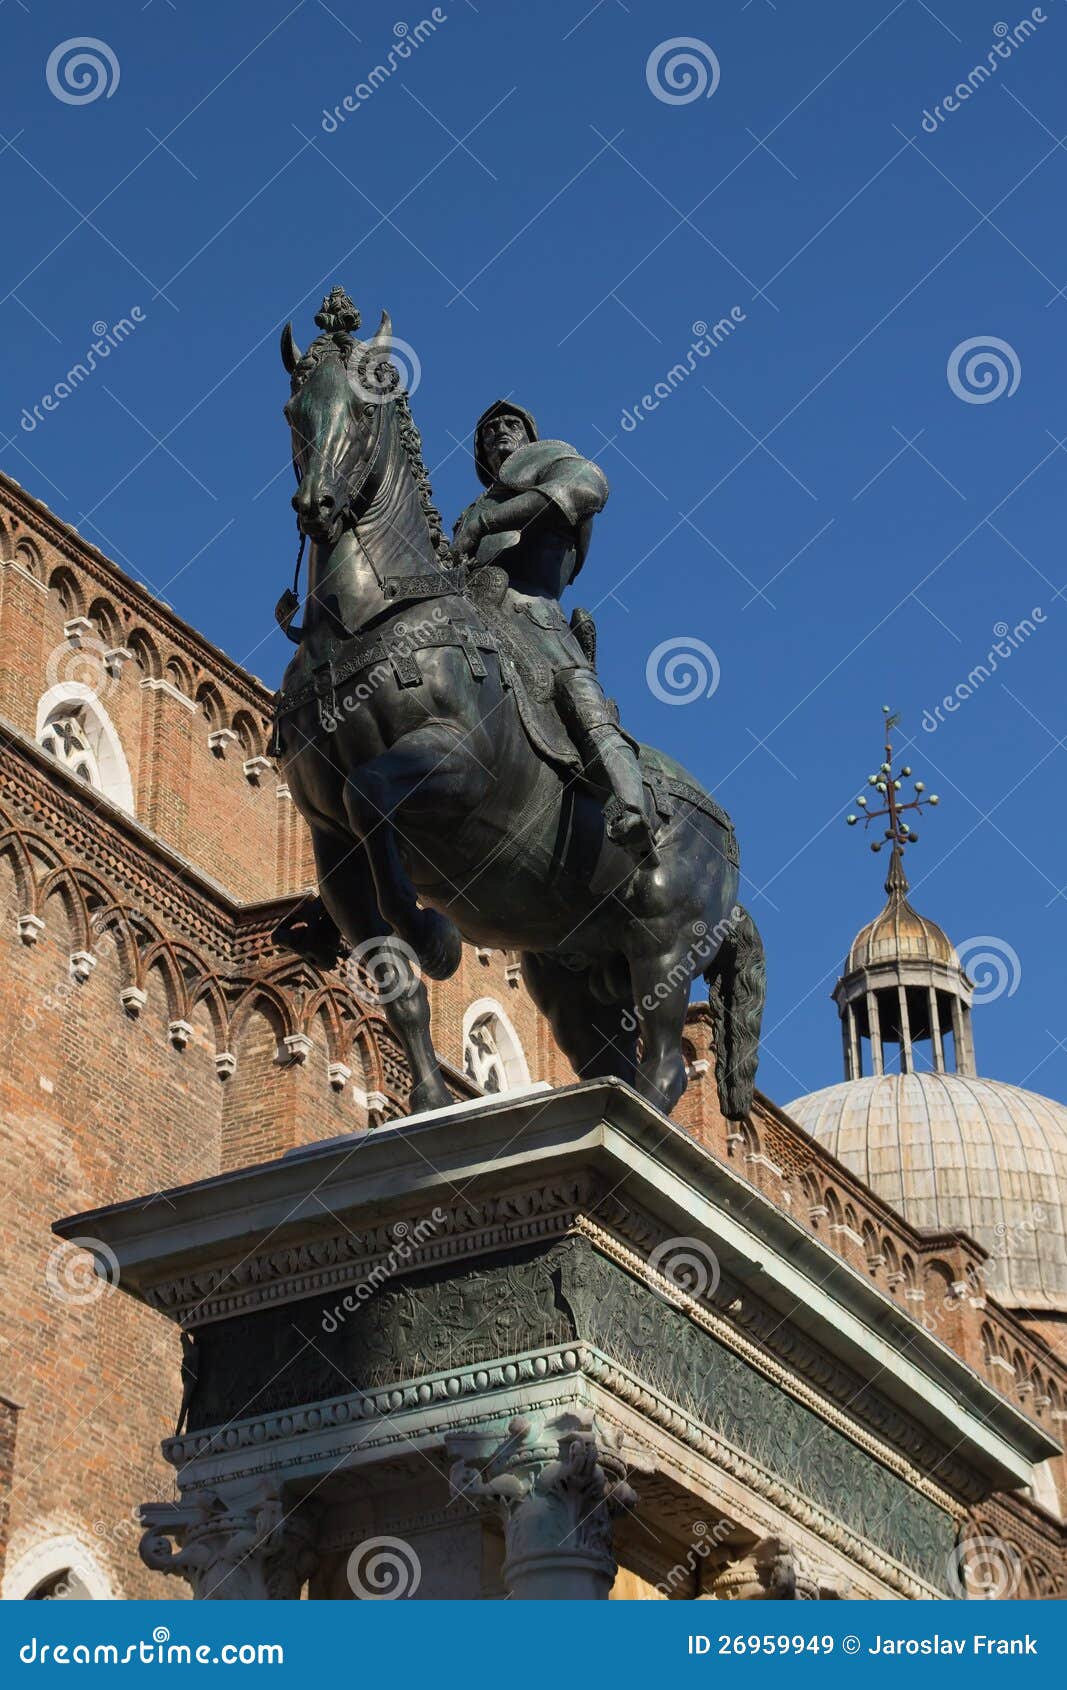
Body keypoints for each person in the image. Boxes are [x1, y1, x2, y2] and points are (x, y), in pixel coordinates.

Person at [453, 400, 657, 862]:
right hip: (475, 613)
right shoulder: (472, 510)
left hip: (533, 613)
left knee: (576, 693)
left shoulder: (552, 463)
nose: (497, 432)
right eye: (487, 431)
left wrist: (487, 522)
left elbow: (589, 487)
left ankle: (631, 805)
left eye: (509, 424)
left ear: (529, 436)